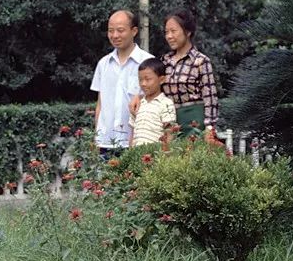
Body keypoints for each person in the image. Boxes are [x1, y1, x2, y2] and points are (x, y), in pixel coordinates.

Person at [130, 9, 219, 137]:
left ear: (187, 32)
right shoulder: (164, 61)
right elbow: (153, 88)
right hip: (168, 123)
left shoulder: (201, 61)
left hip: (195, 123)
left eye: (173, 31)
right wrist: (137, 96)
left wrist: (209, 129)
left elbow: (210, 99)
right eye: (166, 32)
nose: (169, 36)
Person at [90, 10, 154, 157]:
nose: (115, 35)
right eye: (111, 31)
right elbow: (100, 104)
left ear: (134, 31)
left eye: (120, 30)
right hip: (105, 143)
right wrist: (96, 138)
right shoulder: (103, 64)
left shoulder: (149, 62)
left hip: (137, 143)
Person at [129, 58, 176, 147]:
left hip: (155, 155)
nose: (143, 83)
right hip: (137, 155)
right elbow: (132, 133)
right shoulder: (137, 104)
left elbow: (169, 134)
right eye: (140, 80)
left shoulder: (166, 103)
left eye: (148, 79)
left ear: (161, 80)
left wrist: (165, 155)